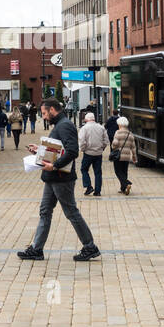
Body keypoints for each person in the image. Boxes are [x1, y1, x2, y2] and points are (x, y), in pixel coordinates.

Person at [16, 99, 101, 262]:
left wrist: (54, 166)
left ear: (53, 110)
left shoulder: (65, 125)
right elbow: (58, 149)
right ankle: (36, 249)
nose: (44, 117)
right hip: (53, 177)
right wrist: (39, 151)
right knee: (45, 211)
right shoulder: (60, 125)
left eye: (45, 113)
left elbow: (72, 151)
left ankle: (90, 246)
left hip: (61, 178)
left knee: (71, 212)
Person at [110, 116, 137, 195]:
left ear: (120, 124)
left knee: (118, 171)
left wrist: (113, 147)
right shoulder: (130, 134)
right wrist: (134, 157)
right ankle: (123, 189)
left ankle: (126, 183)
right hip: (127, 156)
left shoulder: (118, 132)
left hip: (118, 156)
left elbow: (114, 144)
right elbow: (133, 147)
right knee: (124, 172)